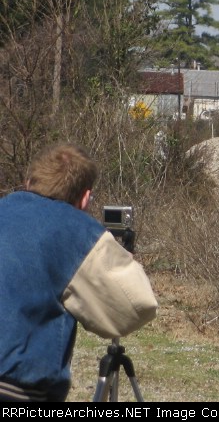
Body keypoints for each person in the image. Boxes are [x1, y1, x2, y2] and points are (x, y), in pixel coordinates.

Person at [0, 143, 158, 402]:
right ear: (85, 198)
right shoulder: (76, 230)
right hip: (18, 391)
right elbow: (138, 304)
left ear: (28, 183)